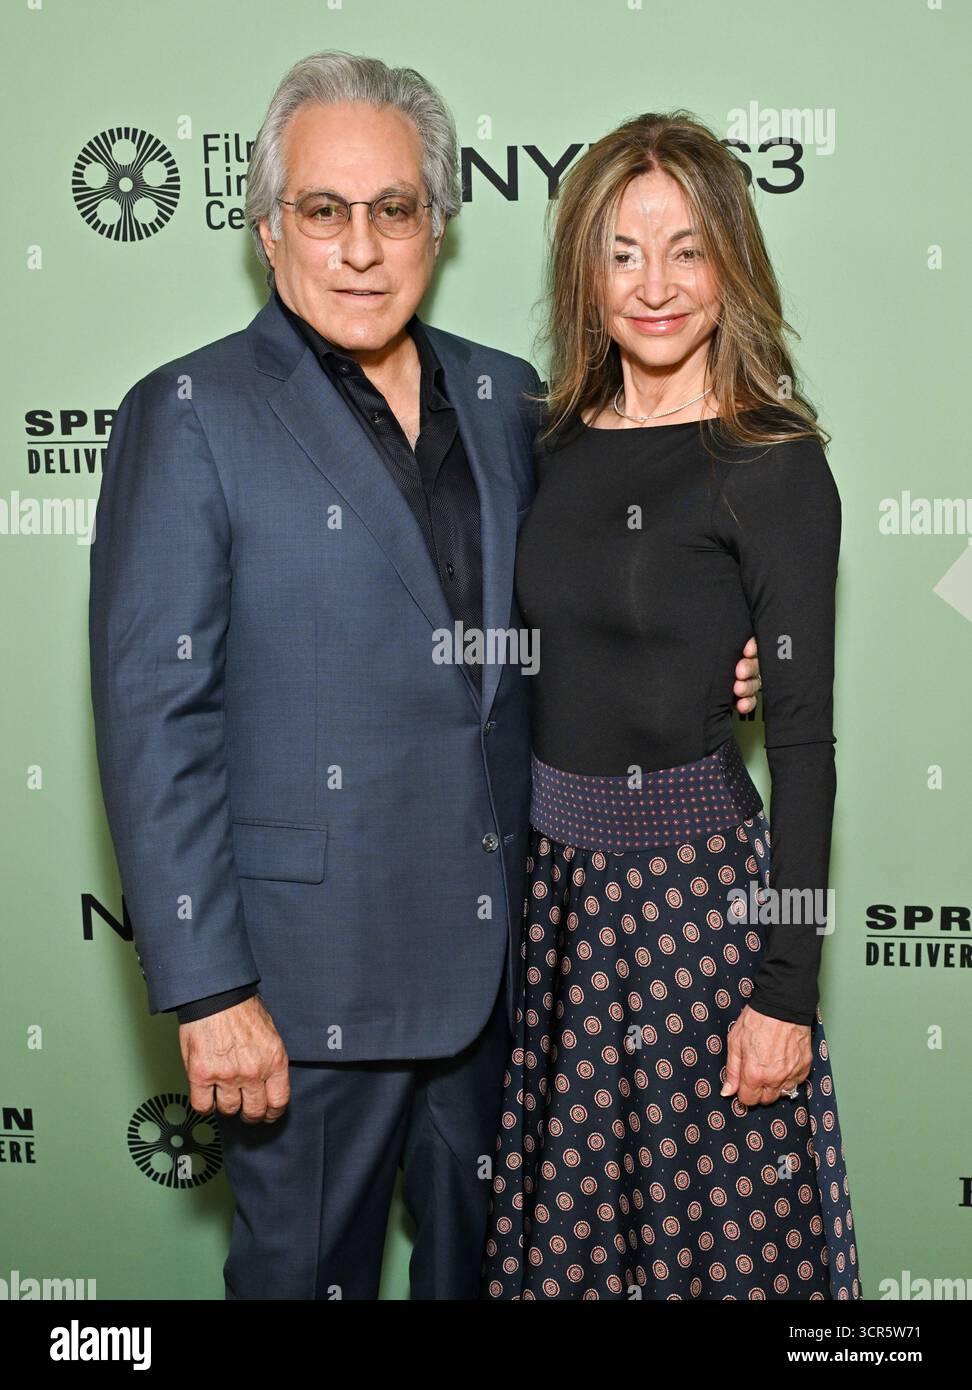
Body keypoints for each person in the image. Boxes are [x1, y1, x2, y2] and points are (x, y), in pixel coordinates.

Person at [88, 54, 761, 1301]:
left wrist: (714, 646)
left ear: (437, 225)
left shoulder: (511, 399)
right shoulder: (189, 411)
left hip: (513, 974)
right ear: (266, 227)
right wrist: (210, 989)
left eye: (393, 209)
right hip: (301, 985)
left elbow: (589, 602)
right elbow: (152, 717)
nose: (361, 248)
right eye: (323, 210)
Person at [482, 111, 861, 1300]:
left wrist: (784, 993)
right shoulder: (548, 440)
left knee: (720, 1257)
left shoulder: (772, 460)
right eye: (624, 253)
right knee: (575, 1254)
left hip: (699, 912)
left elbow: (804, 745)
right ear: (584, 273)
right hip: (560, 907)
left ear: (731, 262)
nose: (655, 286)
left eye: (688, 250)